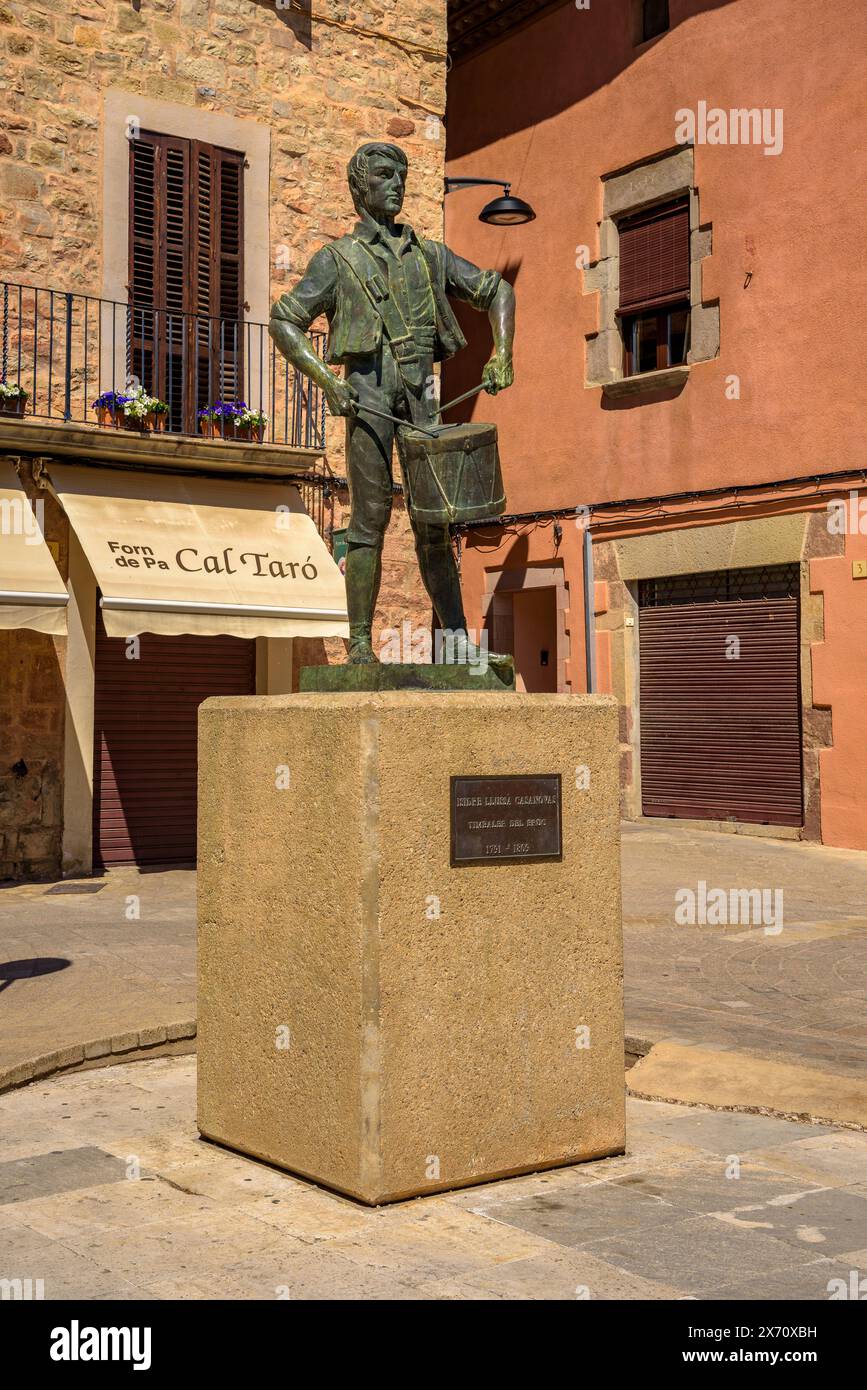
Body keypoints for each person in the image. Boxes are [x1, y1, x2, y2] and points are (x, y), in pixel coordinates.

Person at [269, 141, 515, 665]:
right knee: (369, 518)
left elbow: (498, 291)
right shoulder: (337, 260)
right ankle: (360, 644)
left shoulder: (429, 255)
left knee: (435, 522)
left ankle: (455, 642)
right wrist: (327, 381)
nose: (397, 183)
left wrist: (502, 353)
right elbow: (284, 321)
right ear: (361, 188)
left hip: (423, 397)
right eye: (384, 175)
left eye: (401, 175)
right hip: (368, 398)